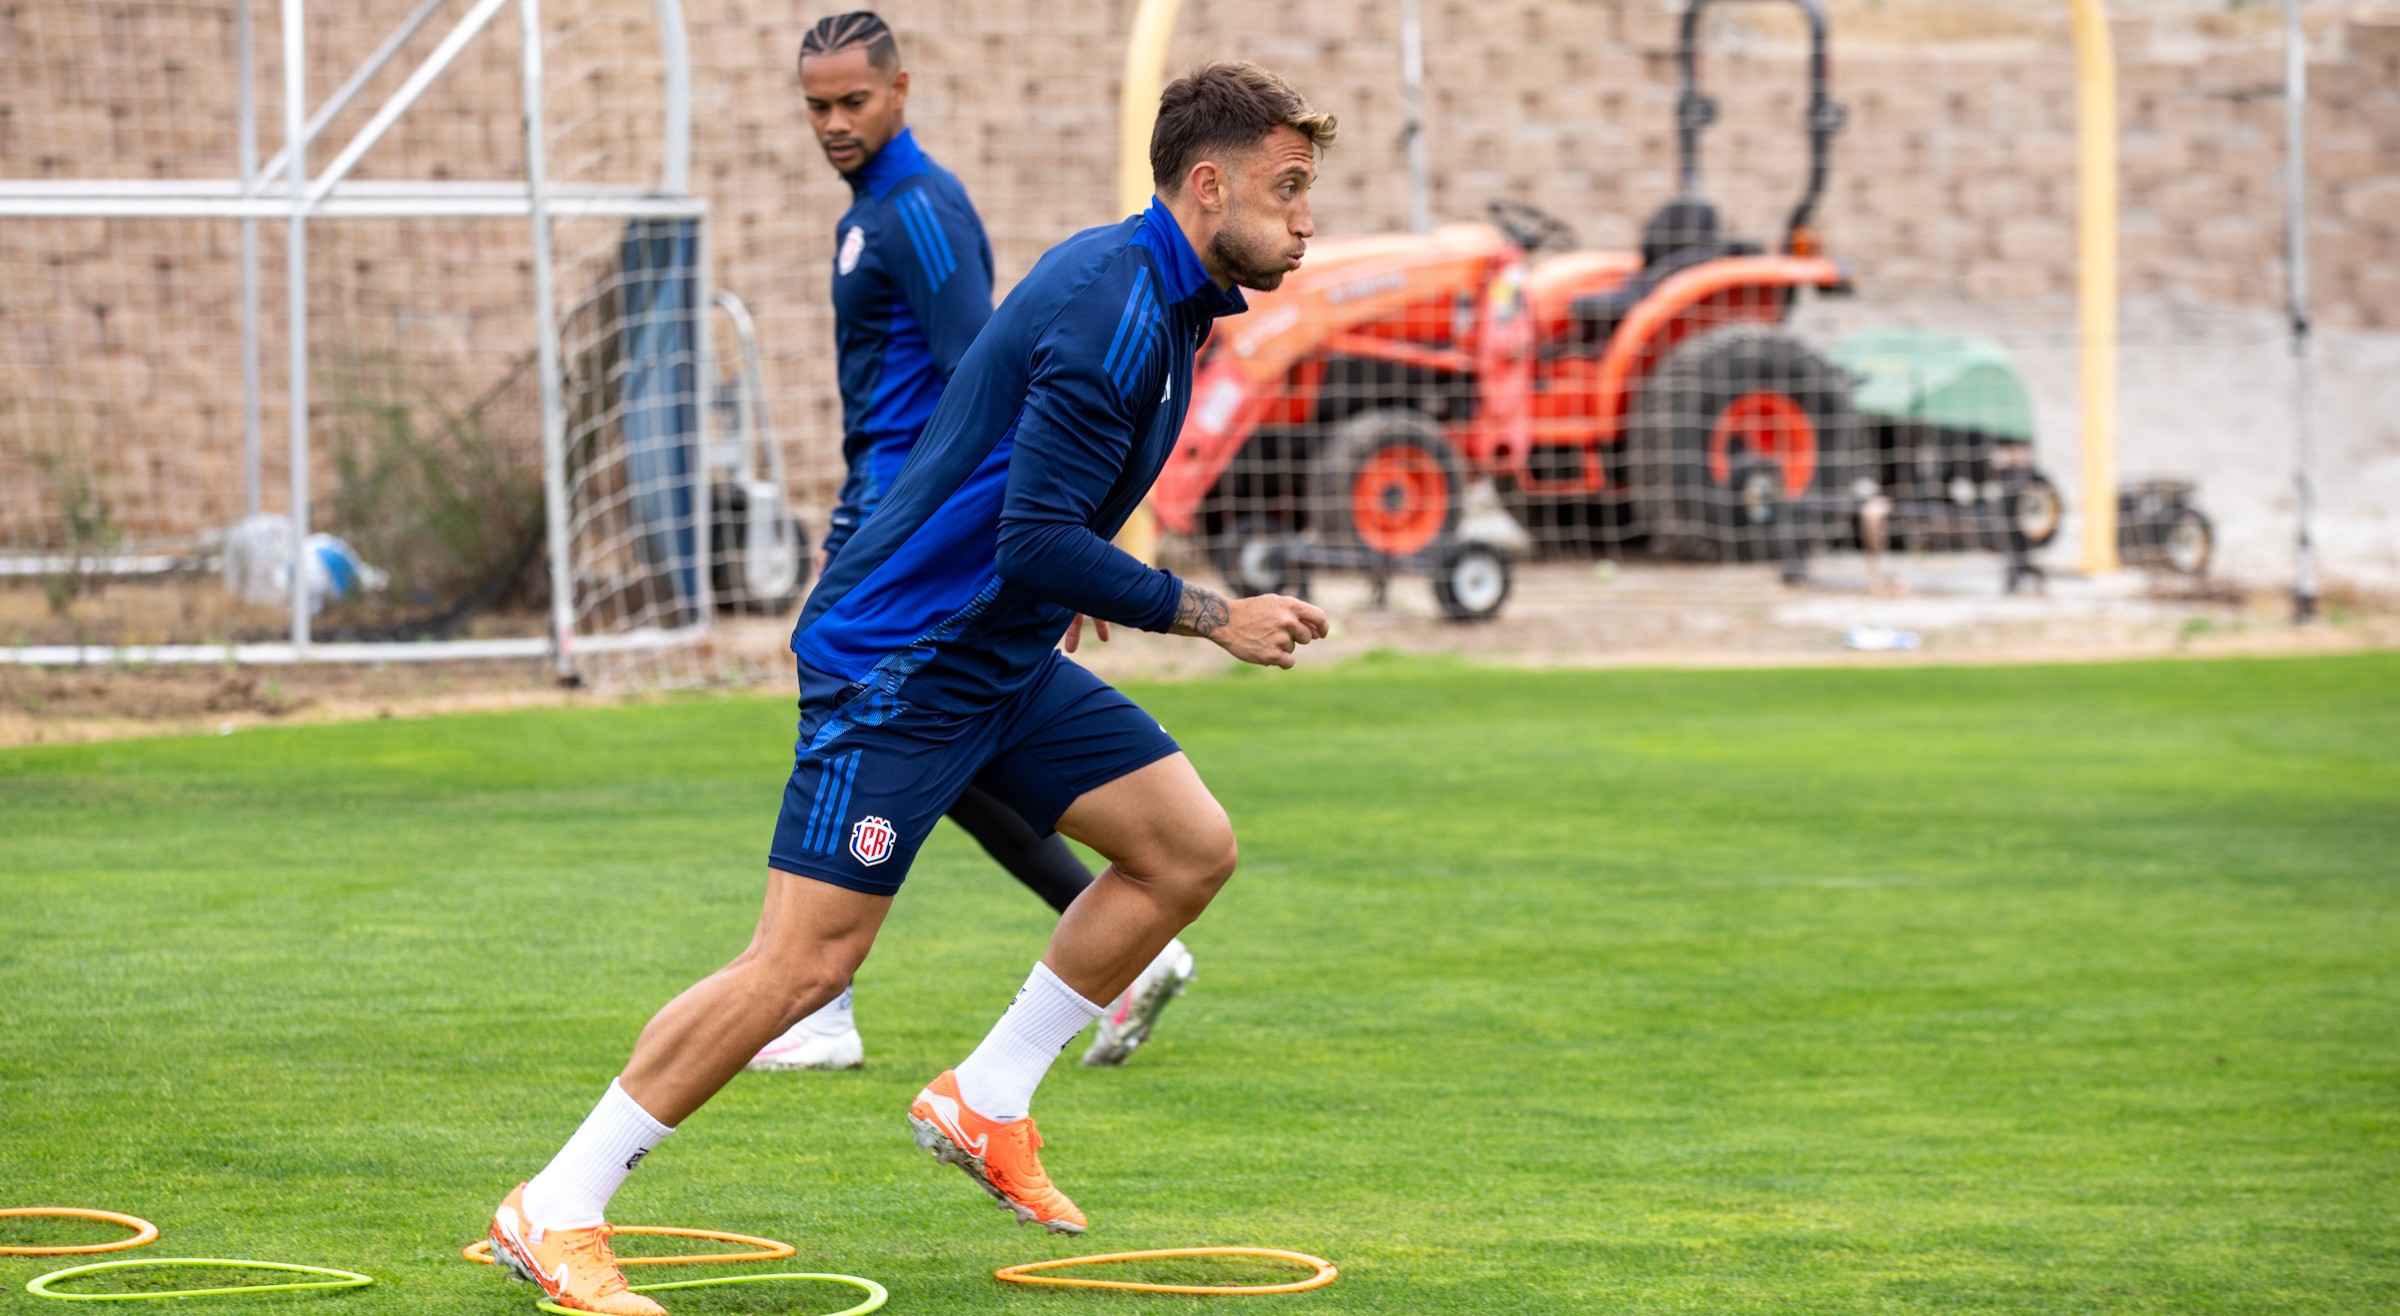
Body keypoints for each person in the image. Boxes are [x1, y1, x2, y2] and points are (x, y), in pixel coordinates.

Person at [485, 61, 1336, 1316]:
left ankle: (986, 1097)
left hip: (995, 649)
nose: (1309, 217)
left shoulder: (1164, 293)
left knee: (1185, 848)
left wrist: (1075, 569)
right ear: (1209, 187)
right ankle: (556, 1204)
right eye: (1289, 189)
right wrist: (1213, 614)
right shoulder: (1116, 306)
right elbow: (1033, 536)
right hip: (902, 659)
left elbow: (1038, 501)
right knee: (803, 966)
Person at [749, 10, 1193, 1076]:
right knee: (943, 746)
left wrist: (1019, 541)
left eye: (853, 101)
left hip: (913, 541)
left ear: (901, 89)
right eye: (816, 106)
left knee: (879, 728)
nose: (834, 123)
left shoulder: (921, 209)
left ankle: (819, 996)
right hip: (891, 524)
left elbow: (978, 377)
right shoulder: (875, 211)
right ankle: (1119, 942)